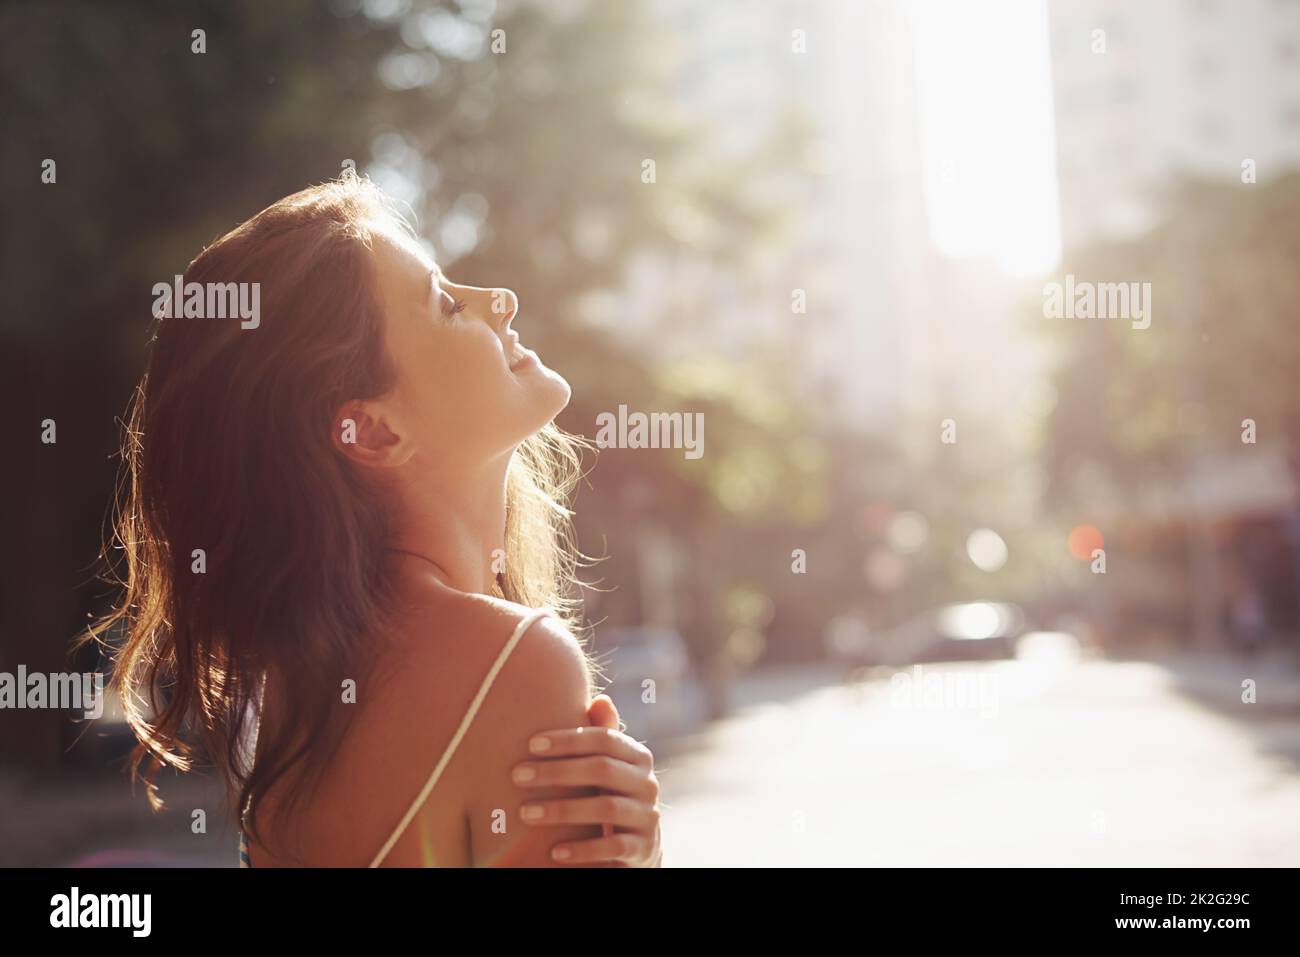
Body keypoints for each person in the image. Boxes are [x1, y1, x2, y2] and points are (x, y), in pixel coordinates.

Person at [81, 173, 662, 867]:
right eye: (446, 304)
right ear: (376, 432)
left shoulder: (303, 694)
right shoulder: (513, 663)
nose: (500, 301)